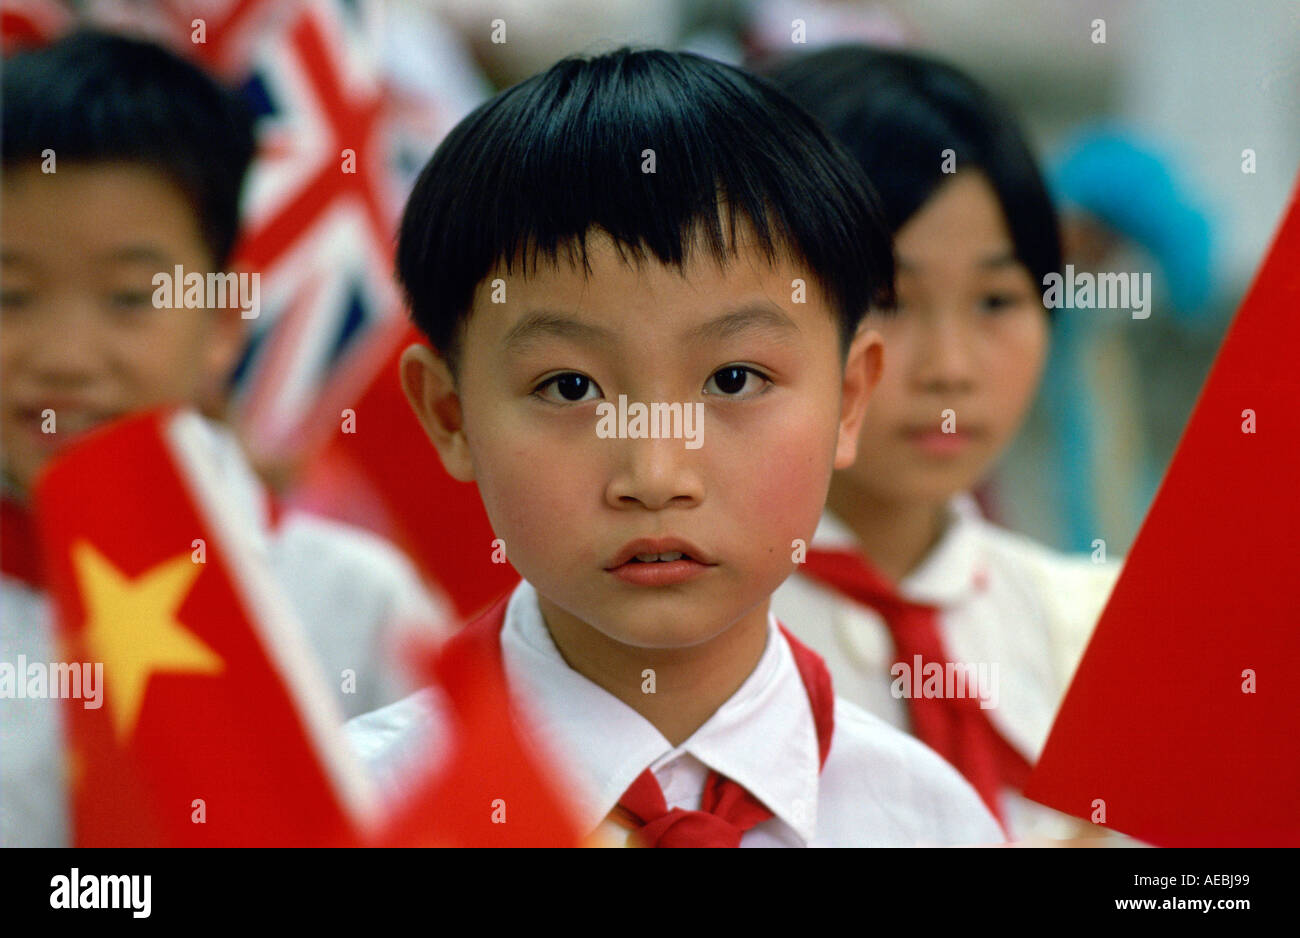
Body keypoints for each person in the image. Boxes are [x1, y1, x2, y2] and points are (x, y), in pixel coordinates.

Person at [345, 47, 1005, 847]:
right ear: (449, 414)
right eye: (570, 388)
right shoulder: (356, 812)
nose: (655, 475)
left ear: (850, 398)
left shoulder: (932, 824)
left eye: (732, 380)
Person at [0, 29, 447, 847]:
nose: (64, 359)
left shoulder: (356, 603)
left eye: (132, 298)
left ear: (222, 322)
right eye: (12, 296)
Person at [760, 45, 1121, 840]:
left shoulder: (1106, 632)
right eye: (888, 300)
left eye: (997, 300)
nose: (950, 369)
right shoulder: (669, 638)